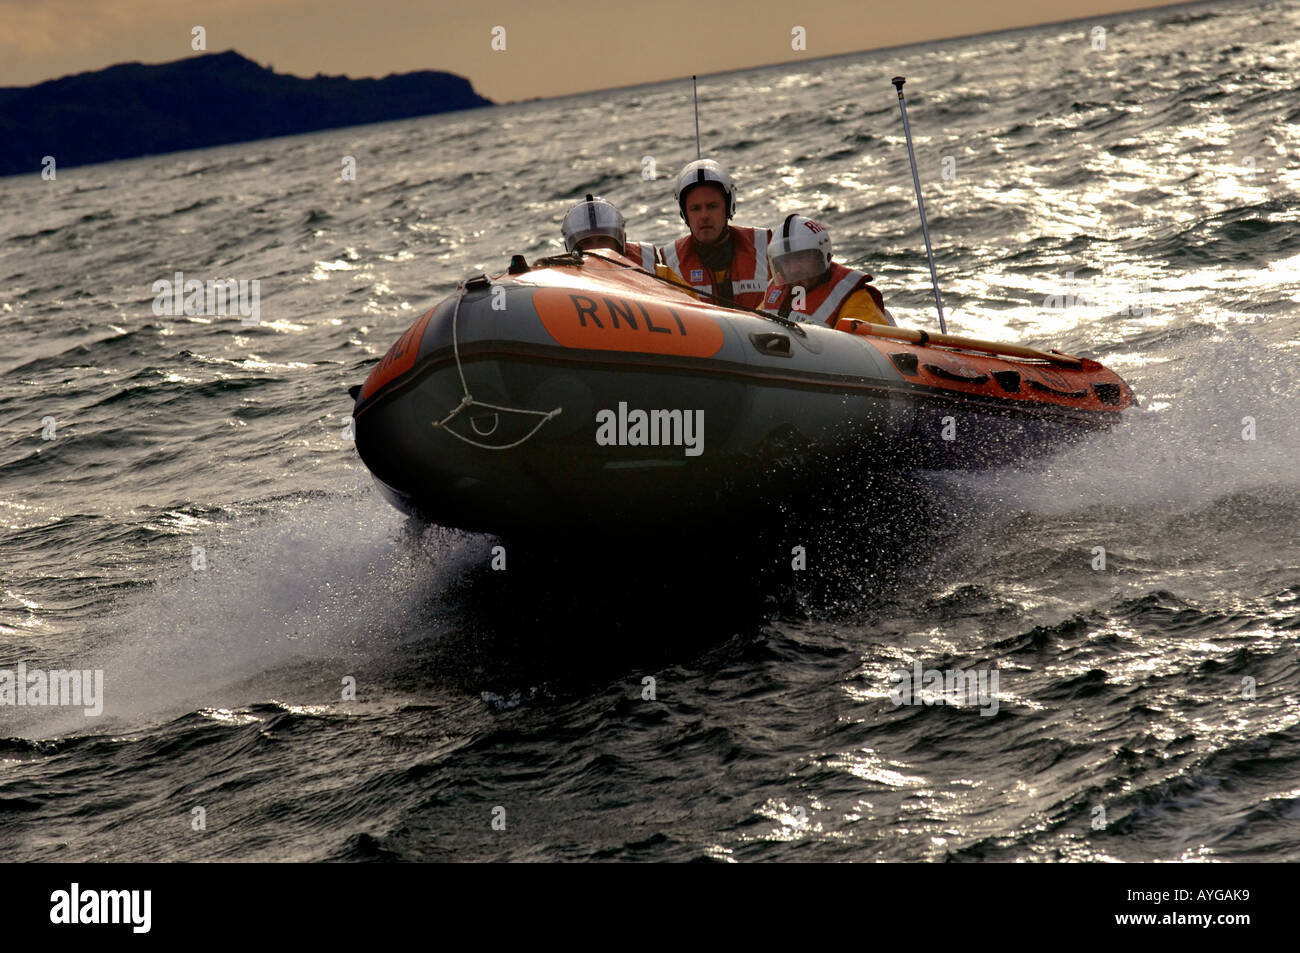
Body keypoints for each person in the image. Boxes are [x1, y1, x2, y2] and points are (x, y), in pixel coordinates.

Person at [659, 159, 772, 310]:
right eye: (695, 209)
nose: (704, 216)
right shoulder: (669, 264)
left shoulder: (766, 248)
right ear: (684, 214)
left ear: (728, 207)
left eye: (712, 206)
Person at [761, 214, 894, 327]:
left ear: (822, 256)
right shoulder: (776, 291)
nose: (794, 269)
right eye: (786, 261)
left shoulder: (854, 299)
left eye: (801, 258)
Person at [561, 194, 660, 271]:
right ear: (571, 249)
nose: (596, 248)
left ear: (620, 243)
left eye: (603, 240)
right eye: (586, 242)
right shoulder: (565, 277)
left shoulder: (646, 259)